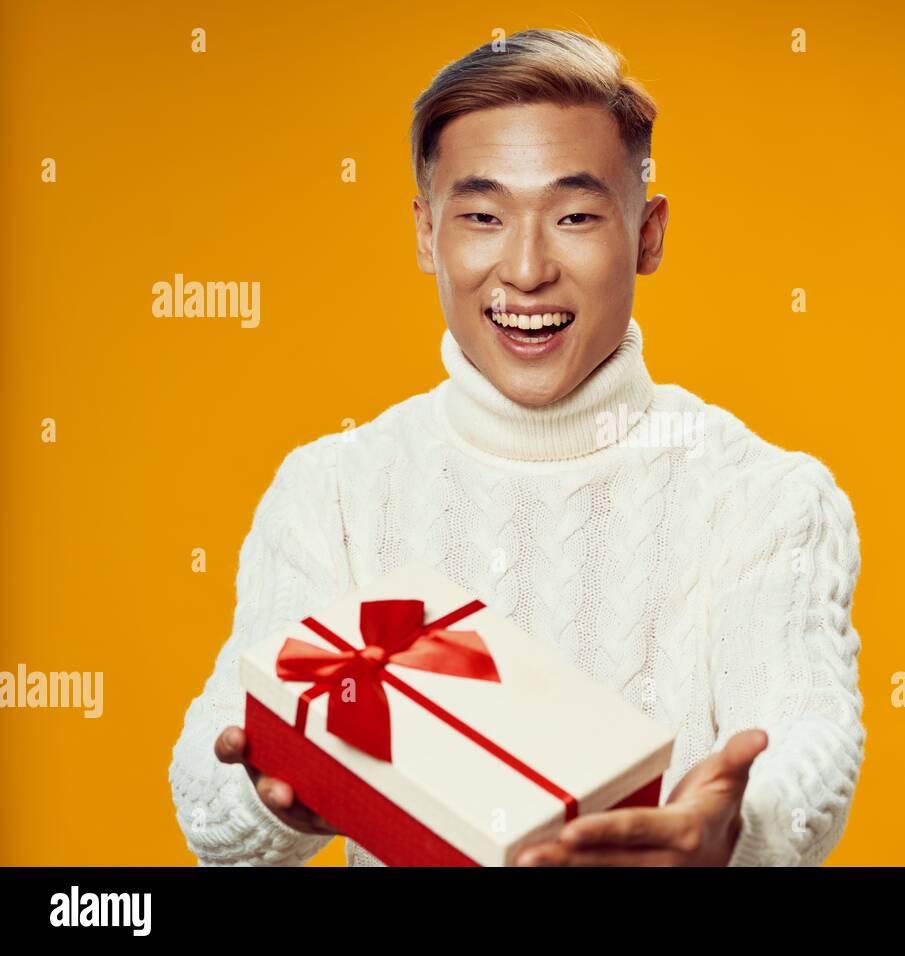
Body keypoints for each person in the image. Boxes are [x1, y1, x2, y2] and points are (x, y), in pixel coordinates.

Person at [168, 27, 865, 867]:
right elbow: (208, 791)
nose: (527, 269)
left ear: (647, 234)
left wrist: (736, 829)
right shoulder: (338, 490)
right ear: (428, 234)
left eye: (574, 215)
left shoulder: (765, 495)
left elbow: (803, 728)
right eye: (483, 217)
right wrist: (279, 787)